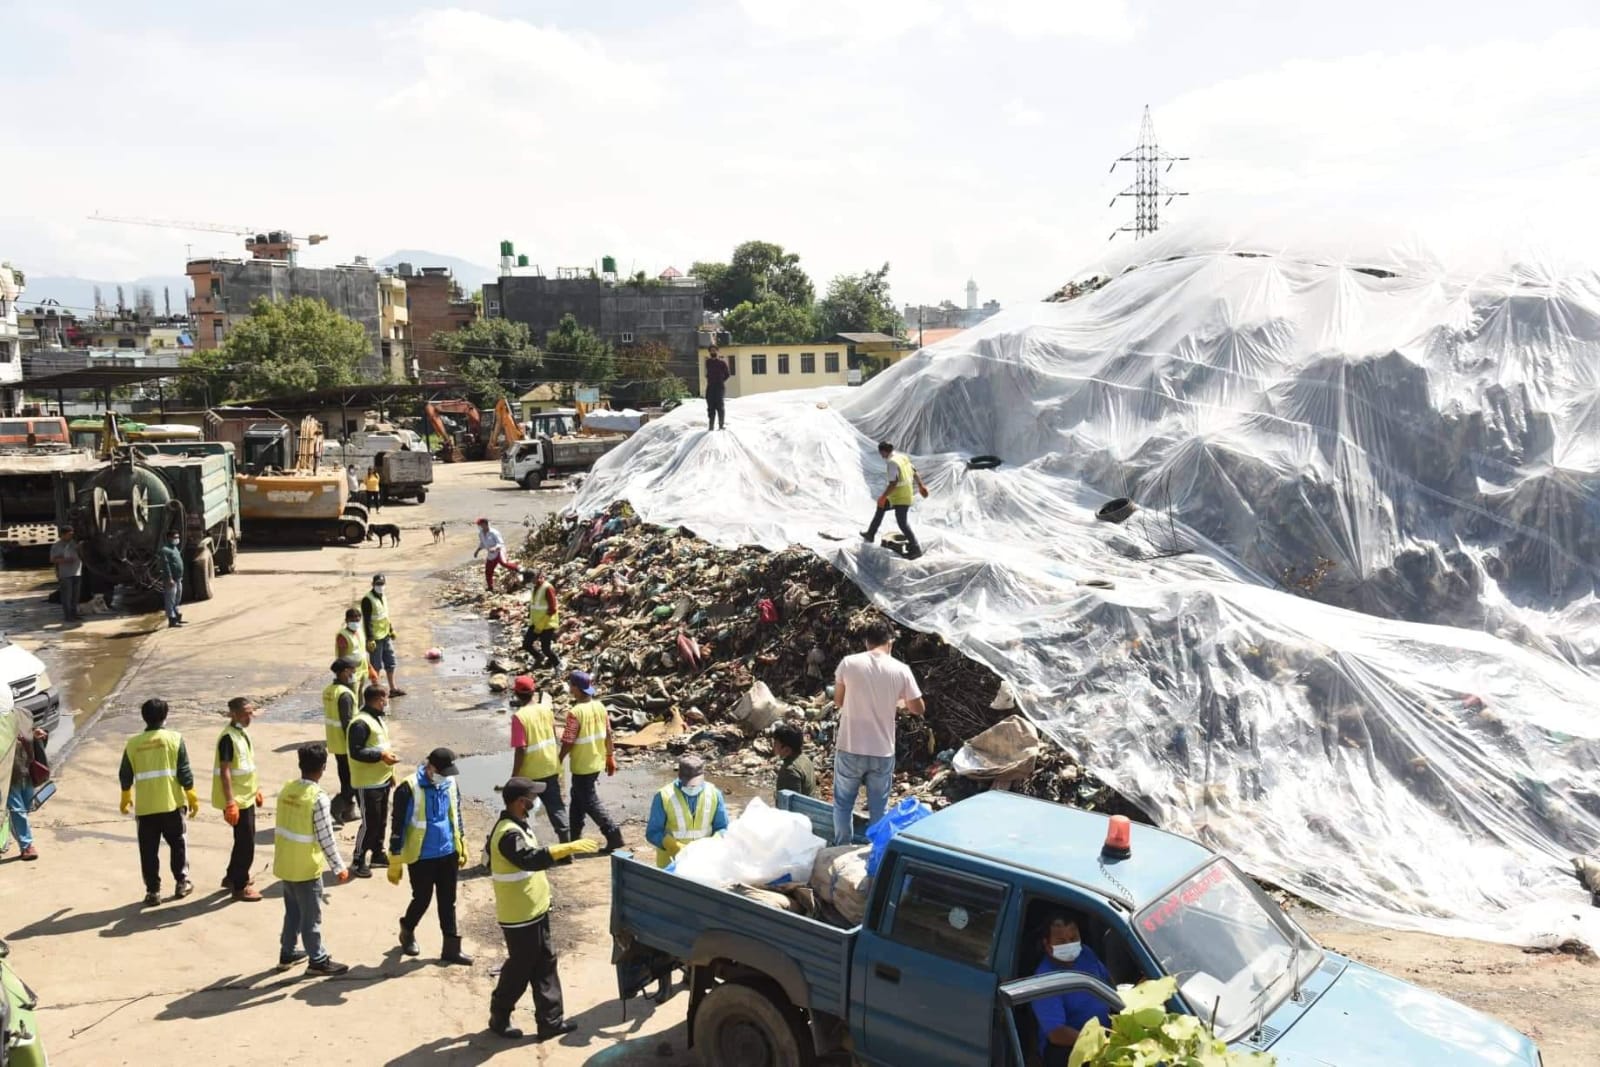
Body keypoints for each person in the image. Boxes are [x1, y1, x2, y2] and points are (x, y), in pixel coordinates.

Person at [487, 777, 597, 1040]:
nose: (536, 801)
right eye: (532, 798)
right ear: (520, 802)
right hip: (519, 915)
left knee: (545, 964)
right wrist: (564, 848)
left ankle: (550, 1021)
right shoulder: (507, 834)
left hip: (535, 909)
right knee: (520, 968)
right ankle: (499, 1015)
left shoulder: (519, 825)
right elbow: (530, 859)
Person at [831, 618, 924, 846]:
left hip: (850, 747)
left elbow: (839, 700)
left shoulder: (848, 663)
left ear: (866, 642)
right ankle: (874, 852)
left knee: (843, 804)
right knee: (878, 808)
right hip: (882, 751)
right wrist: (898, 702)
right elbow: (918, 708)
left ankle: (841, 848)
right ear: (890, 641)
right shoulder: (901, 669)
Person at [388, 747, 472, 965]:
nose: (446, 776)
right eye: (442, 771)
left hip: (447, 852)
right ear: (431, 767)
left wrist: (461, 843)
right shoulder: (409, 788)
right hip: (421, 856)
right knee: (422, 898)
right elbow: (397, 825)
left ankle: (451, 949)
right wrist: (395, 857)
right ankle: (407, 929)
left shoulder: (450, 783)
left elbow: (456, 814)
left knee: (448, 901)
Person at [273, 742, 352, 975]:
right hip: (306, 866)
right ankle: (317, 960)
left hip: (286, 863)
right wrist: (339, 866)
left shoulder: (288, 789)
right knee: (311, 917)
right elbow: (326, 837)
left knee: (293, 912)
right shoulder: (317, 798)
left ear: (300, 764)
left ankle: (287, 953)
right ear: (323, 767)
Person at [118, 698, 199, 905]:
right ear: (165, 716)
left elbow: (125, 773)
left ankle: (153, 892)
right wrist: (191, 792)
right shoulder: (174, 739)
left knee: (148, 851)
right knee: (178, 844)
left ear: (144, 717)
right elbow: (183, 770)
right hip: (171, 804)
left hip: (145, 808)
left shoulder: (133, 743)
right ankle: (182, 882)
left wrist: (125, 794)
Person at [1030, 914, 1114, 1065]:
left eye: (1073, 938)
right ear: (1047, 945)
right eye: (1061, 941)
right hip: (1071, 1047)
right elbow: (1057, 1033)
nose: (1069, 945)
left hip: (1105, 1036)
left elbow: (1107, 983)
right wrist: (1099, 1043)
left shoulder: (1085, 953)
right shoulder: (1044, 980)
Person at [558, 671, 624, 852]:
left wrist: (558, 760)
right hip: (596, 761)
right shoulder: (600, 707)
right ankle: (575, 837)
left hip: (582, 764)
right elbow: (608, 734)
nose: (570, 689)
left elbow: (568, 741)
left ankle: (613, 833)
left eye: (571, 685)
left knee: (589, 800)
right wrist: (610, 756)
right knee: (577, 798)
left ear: (577, 689)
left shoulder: (575, 712)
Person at [347, 684, 401, 877]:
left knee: (381, 821)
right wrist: (381, 756)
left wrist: (390, 771)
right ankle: (358, 859)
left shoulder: (376, 718)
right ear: (379, 699)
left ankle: (377, 853)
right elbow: (356, 751)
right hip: (366, 783)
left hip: (382, 779)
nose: (387, 701)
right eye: (385, 698)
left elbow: (382, 745)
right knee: (369, 823)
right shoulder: (360, 723)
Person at [213, 697, 264, 901]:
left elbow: (247, 765)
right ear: (233, 714)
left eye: (251, 712)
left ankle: (231, 876)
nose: (249, 717)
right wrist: (230, 802)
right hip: (237, 800)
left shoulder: (241, 734)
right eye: (245, 713)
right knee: (246, 844)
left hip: (246, 796)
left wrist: (256, 789)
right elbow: (225, 772)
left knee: (242, 840)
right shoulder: (228, 738)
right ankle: (240, 886)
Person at [509, 676, 567, 842]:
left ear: (517, 694)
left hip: (530, 772)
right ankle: (566, 845)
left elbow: (521, 749)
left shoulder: (519, 717)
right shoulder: (546, 710)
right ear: (533, 692)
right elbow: (553, 735)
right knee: (556, 808)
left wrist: (515, 775)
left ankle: (520, 842)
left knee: (519, 807)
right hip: (550, 766)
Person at [644, 754, 727, 869]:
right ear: (680, 777)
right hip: (671, 863)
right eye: (687, 783)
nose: (691, 786)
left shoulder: (714, 794)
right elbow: (652, 833)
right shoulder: (664, 796)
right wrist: (673, 846)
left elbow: (723, 827)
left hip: (704, 862)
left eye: (695, 783)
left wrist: (713, 843)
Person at [860, 440, 928, 559]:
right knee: (880, 508)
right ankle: (870, 534)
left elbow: (893, 483)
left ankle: (916, 548)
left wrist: (883, 496)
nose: (881, 456)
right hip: (902, 494)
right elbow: (914, 471)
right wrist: (921, 486)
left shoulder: (892, 463)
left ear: (884, 451)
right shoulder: (902, 457)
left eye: (881, 453)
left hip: (900, 497)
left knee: (902, 523)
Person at [2, 688, 43, 861]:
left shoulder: (22, 715)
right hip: (6, 774)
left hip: (24, 768)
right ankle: (27, 846)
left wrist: (37, 735)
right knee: (17, 808)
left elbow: (29, 732)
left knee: (26, 805)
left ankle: (11, 832)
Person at [322, 657, 361, 824]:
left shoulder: (329, 690)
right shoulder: (344, 694)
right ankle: (337, 806)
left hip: (334, 742)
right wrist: (356, 745)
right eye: (353, 670)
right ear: (345, 671)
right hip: (346, 744)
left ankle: (348, 812)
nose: (354, 673)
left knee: (346, 778)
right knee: (354, 780)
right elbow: (347, 723)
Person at [362, 573, 406, 696]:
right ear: (372, 584)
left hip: (385, 634)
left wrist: (391, 629)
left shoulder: (383, 596)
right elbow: (367, 620)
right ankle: (376, 691)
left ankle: (393, 688)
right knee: (376, 666)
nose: (380, 586)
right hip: (375, 638)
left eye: (382, 584)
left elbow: (385, 615)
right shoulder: (368, 599)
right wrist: (370, 638)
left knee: (390, 662)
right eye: (378, 584)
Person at [519, 569, 561, 669]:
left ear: (535, 578)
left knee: (546, 649)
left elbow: (552, 609)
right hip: (535, 623)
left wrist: (541, 625)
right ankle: (539, 657)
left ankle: (558, 665)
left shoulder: (547, 588)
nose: (529, 584)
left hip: (547, 624)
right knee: (526, 644)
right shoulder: (535, 587)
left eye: (530, 581)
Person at [772, 723, 816, 804]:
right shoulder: (805, 759)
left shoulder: (789, 770)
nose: (773, 746)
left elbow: (790, 806)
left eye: (776, 743)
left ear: (787, 749)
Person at [475, 517, 523, 592]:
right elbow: (482, 543)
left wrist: (495, 548)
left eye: (480, 525)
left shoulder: (494, 532)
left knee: (504, 563)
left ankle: (518, 569)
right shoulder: (481, 534)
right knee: (488, 570)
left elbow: (500, 543)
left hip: (499, 551)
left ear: (485, 524)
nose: (479, 527)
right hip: (491, 553)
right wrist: (477, 551)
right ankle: (490, 587)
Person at [336, 606, 376, 693]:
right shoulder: (343, 636)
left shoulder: (360, 631)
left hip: (362, 670)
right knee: (352, 695)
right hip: (351, 673)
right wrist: (345, 674)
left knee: (360, 695)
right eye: (352, 620)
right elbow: (342, 658)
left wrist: (370, 668)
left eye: (357, 620)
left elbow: (363, 652)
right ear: (346, 620)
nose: (355, 622)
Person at [48, 526, 82, 623]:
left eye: (72, 534)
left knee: (76, 596)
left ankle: (74, 614)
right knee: (67, 597)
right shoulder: (56, 546)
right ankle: (68, 616)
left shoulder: (74, 543)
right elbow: (52, 559)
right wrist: (65, 560)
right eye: (69, 534)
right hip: (65, 574)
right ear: (63, 534)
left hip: (77, 572)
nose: (71, 536)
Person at [158, 529, 185, 627]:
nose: (177, 539)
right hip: (171, 580)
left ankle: (177, 616)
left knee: (177, 598)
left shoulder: (175, 548)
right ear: (169, 538)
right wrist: (169, 579)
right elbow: (166, 566)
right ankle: (172, 620)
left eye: (178, 537)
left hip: (178, 578)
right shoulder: (165, 550)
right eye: (175, 537)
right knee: (170, 599)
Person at [704, 346, 729, 431]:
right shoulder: (708, 362)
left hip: (719, 387)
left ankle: (721, 425)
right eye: (711, 351)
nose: (713, 352)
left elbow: (727, 375)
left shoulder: (722, 363)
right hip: (710, 387)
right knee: (710, 407)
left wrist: (720, 380)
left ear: (718, 352)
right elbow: (707, 374)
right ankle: (711, 426)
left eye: (714, 351)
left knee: (720, 406)